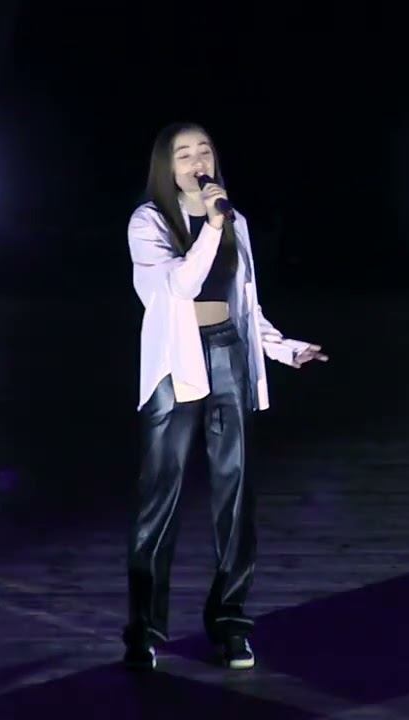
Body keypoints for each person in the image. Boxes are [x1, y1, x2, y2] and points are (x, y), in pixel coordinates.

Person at [123, 122, 328, 671]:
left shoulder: (234, 221)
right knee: (159, 501)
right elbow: (181, 286)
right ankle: (144, 630)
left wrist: (284, 349)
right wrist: (212, 226)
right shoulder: (149, 222)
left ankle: (231, 623)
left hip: (228, 356)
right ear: (167, 167)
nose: (197, 162)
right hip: (176, 366)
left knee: (235, 498)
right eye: (184, 155)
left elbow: (245, 304)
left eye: (204, 152)